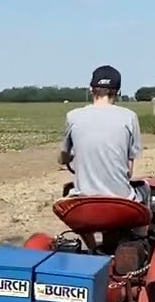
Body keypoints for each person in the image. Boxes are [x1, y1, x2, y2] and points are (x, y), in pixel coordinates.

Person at [59, 65, 143, 201]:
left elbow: (64, 155)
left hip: (84, 198)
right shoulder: (129, 117)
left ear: (91, 89)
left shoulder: (73, 116)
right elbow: (129, 172)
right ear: (118, 91)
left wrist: (66, 158)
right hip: (121, 199)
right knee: (145, 191)